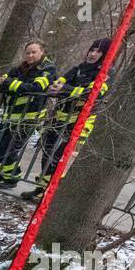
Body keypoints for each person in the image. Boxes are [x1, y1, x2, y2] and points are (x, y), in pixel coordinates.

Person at [24, 38, 112, 200]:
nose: (93, 54)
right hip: (58, 120)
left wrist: (66, 90)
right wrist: (65, 89)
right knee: (47, 153)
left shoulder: (104, 74)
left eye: (99, 52)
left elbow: (92, 95)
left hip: (78, 124)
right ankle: (42, 189)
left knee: (58, 158)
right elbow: (55, 86)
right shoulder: (78, 68)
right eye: (92, 50)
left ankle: (51, 193)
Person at [0, 40, 56, 189]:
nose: (30, 55)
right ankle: (2, 174)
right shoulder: (21, 68)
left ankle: (12, 179)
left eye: (34, 52)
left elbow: (36, 87)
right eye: (28, 52)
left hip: (28, 117)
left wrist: (10, 84)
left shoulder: (47, 69)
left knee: (11, 148)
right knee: (2, 146)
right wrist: (7, 84)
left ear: (42, 52)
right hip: (10, 115)